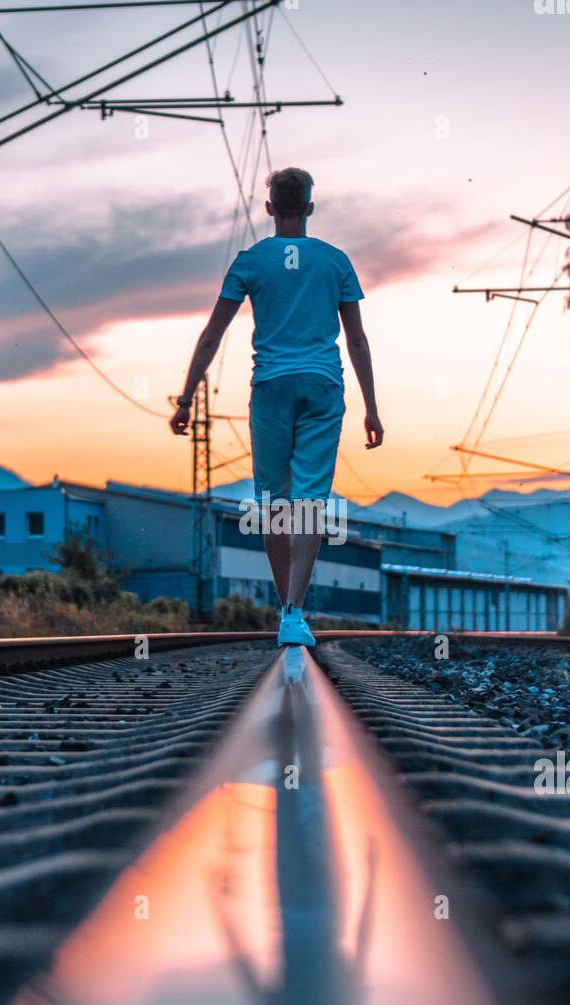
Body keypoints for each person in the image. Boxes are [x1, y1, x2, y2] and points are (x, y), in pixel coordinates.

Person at [171, 167, 383, 647]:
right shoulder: (336, 262)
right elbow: (357, 339)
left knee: (275, 503)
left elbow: (212, 335)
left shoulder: (250, 262)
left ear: (269, 209)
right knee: (309, 501)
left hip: (270, 386)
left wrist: (186, 398)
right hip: (323, 385)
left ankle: (285, 608)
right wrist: (371, 407)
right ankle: (293, 613)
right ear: (309, 207)